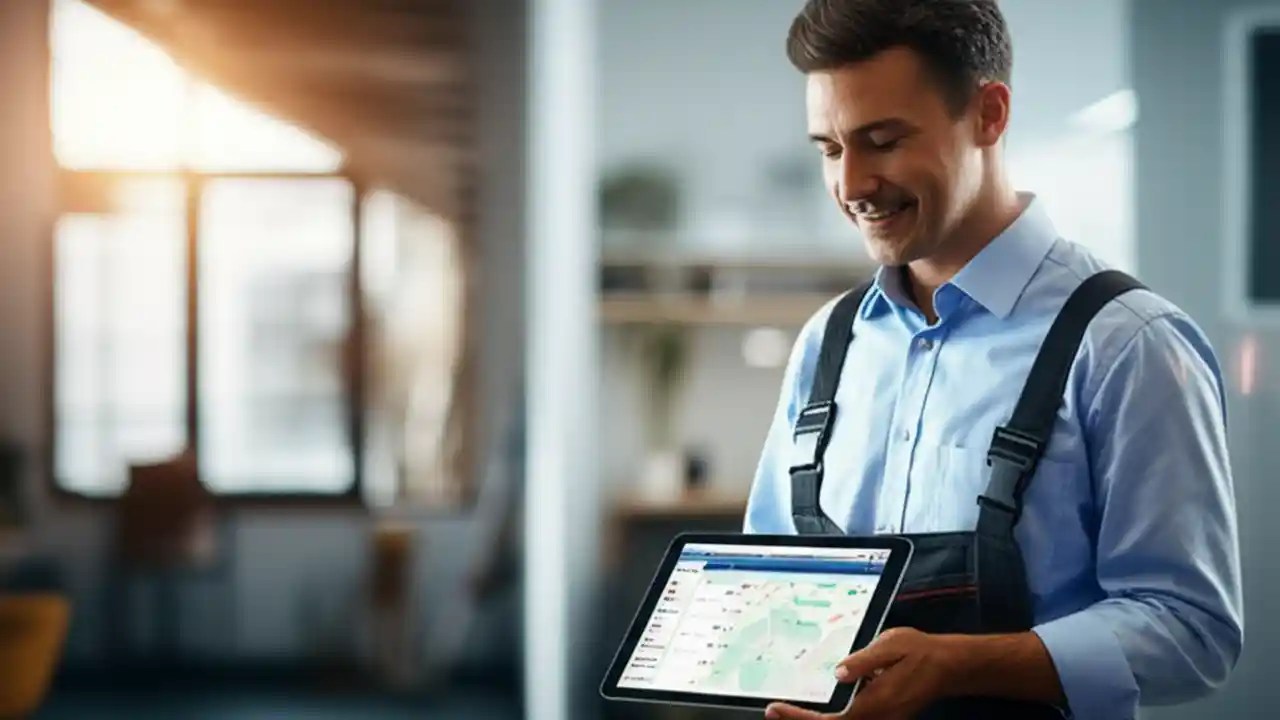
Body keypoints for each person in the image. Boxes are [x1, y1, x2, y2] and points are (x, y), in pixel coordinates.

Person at [743, 1, 1243, 719]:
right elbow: (771, 582)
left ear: (989, 114)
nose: (851, 186)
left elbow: (1193, 632)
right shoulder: (829, 342)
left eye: (882, 141)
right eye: (829, 148)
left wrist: (961, 666)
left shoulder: (1128, 345)